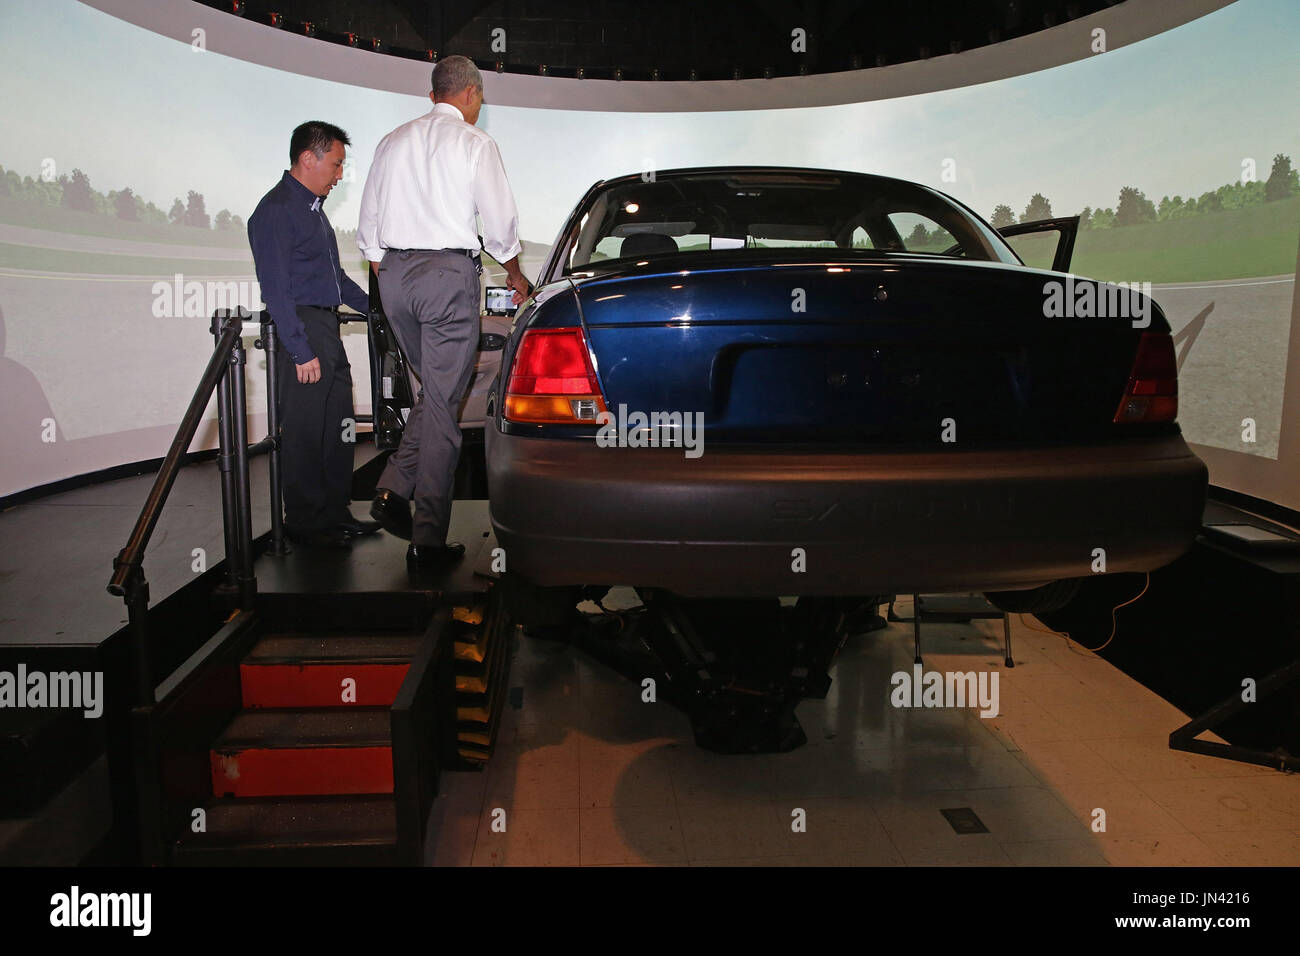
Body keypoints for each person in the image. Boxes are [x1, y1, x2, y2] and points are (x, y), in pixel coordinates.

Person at [357, 56, 530, 570]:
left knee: (434, 396)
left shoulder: (391, 142)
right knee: (445, 409)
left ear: (435, 95)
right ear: (473, 95)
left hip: (393, 278)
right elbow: (499, 227)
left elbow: (368, 232)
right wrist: (516, 274)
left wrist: (394, 278)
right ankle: (427, 540)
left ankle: (391, 491)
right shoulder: (476, 144)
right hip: (446, 278)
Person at [248, 121, 380, 549]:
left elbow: (337, 279)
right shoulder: (275, 210)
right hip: (302, 330)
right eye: (337, 163)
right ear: (309, 158)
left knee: (338, 426)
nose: (340, 174)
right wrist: (300, 350)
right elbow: (276, 289)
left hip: (326, 327)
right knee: (306, 432)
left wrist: (379, 309)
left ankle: (334, 513)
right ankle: (305, 525)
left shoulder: (314, 213)